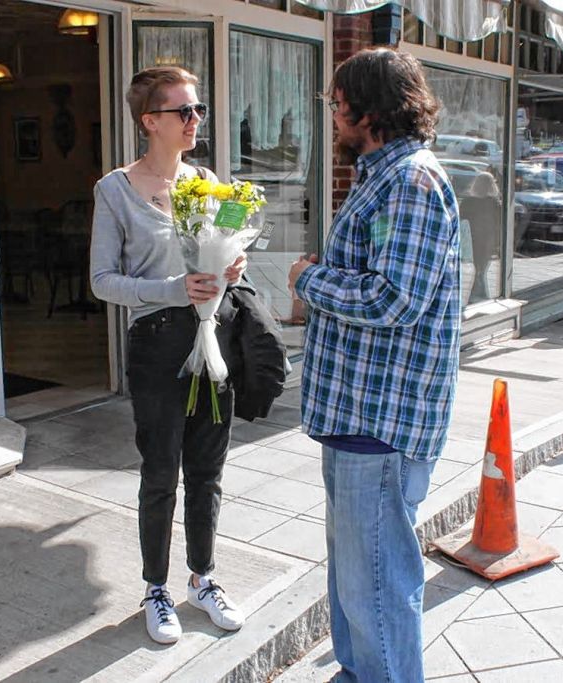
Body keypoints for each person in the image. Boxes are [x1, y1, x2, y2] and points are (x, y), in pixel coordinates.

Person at [288, 48, 460, 683]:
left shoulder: (411, 182)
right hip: (357, 413)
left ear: (371, 111)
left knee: (378, 583)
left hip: (381, 420)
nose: (333, 116)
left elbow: (395, 299)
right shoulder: (381, 177)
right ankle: (359, 672)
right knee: (357, 576)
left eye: (337, 104)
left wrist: (308, 280)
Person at [89, 66, 247, 645]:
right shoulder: (115, 189)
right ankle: (155, 588)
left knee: (208, 471)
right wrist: (172, 289)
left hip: (212, 335)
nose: (195, 119)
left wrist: (233, 268)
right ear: (149, 121)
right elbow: (103, 281)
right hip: (157, 343)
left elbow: (228, 252)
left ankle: (202, 579)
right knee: (160, 473)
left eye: (197, 109)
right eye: (184, 111)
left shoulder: (208, 181)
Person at [459, 171, 502, 303]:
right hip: (487, 239)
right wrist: (498, 242)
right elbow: (498, 224)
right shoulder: (494, 203)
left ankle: (477, 291)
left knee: (476, 267)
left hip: (472, 239)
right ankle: (479, 291)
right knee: (482, 267)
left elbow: (460, 220)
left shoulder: (467, 202)